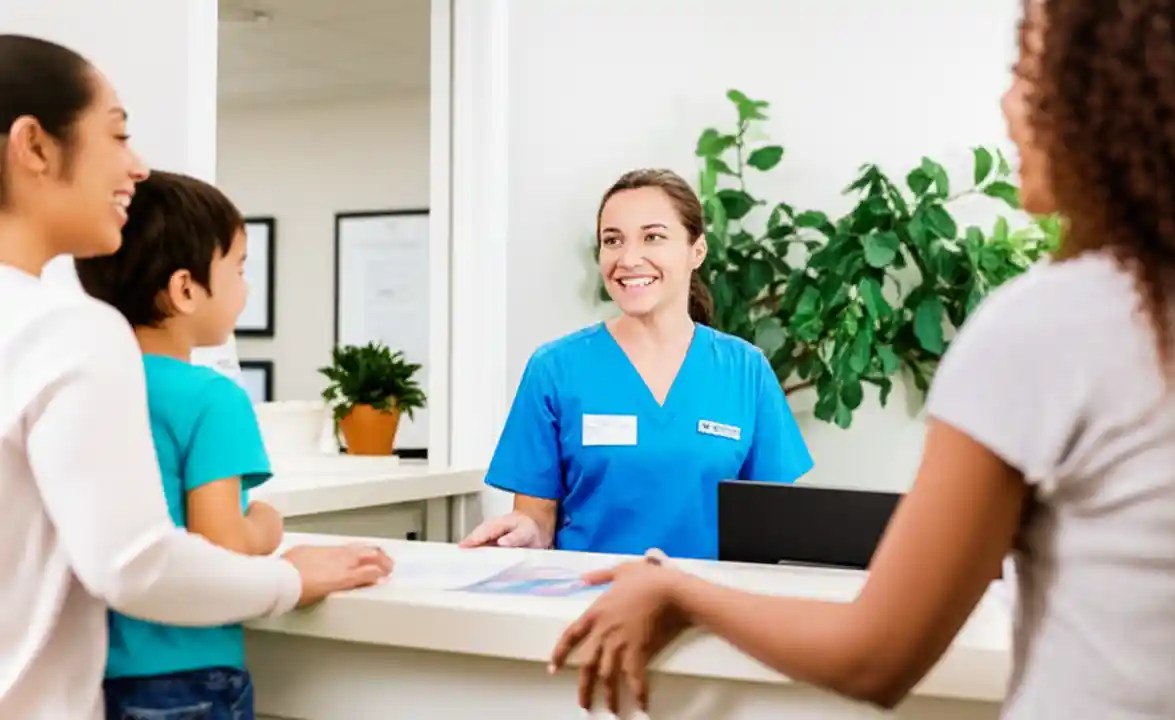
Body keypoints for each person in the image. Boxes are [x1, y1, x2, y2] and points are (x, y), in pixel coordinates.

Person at [550, 1, 1175, 717]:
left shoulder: (1047, 329)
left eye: (1029, 78)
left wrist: (674, 591)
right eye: (613, 240)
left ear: (1112, 102)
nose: (1005, 105)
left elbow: (873, 655)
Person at [0, 34, 392, 720]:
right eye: (117, 135)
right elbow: (134, 565)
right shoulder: (70, 332)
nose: (136, 166)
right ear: (34, 146)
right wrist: (287, 578)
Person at [460, 168, 813, 560]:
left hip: (708, 609)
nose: (628, 259)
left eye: (653, 237)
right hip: (589, 605)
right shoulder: (555, 370)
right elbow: (537, 519)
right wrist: (523, 533)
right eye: (613, 240)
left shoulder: (746, 370)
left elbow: (773, 526)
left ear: (697, 250)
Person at [74, 170, 291, 718]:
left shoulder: (89, 382)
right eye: (239, 269)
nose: (247, 288)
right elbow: (224, 542)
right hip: (190, 672)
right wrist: (266, 525)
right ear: (185, 289)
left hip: (96, 671)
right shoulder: (212, 398)